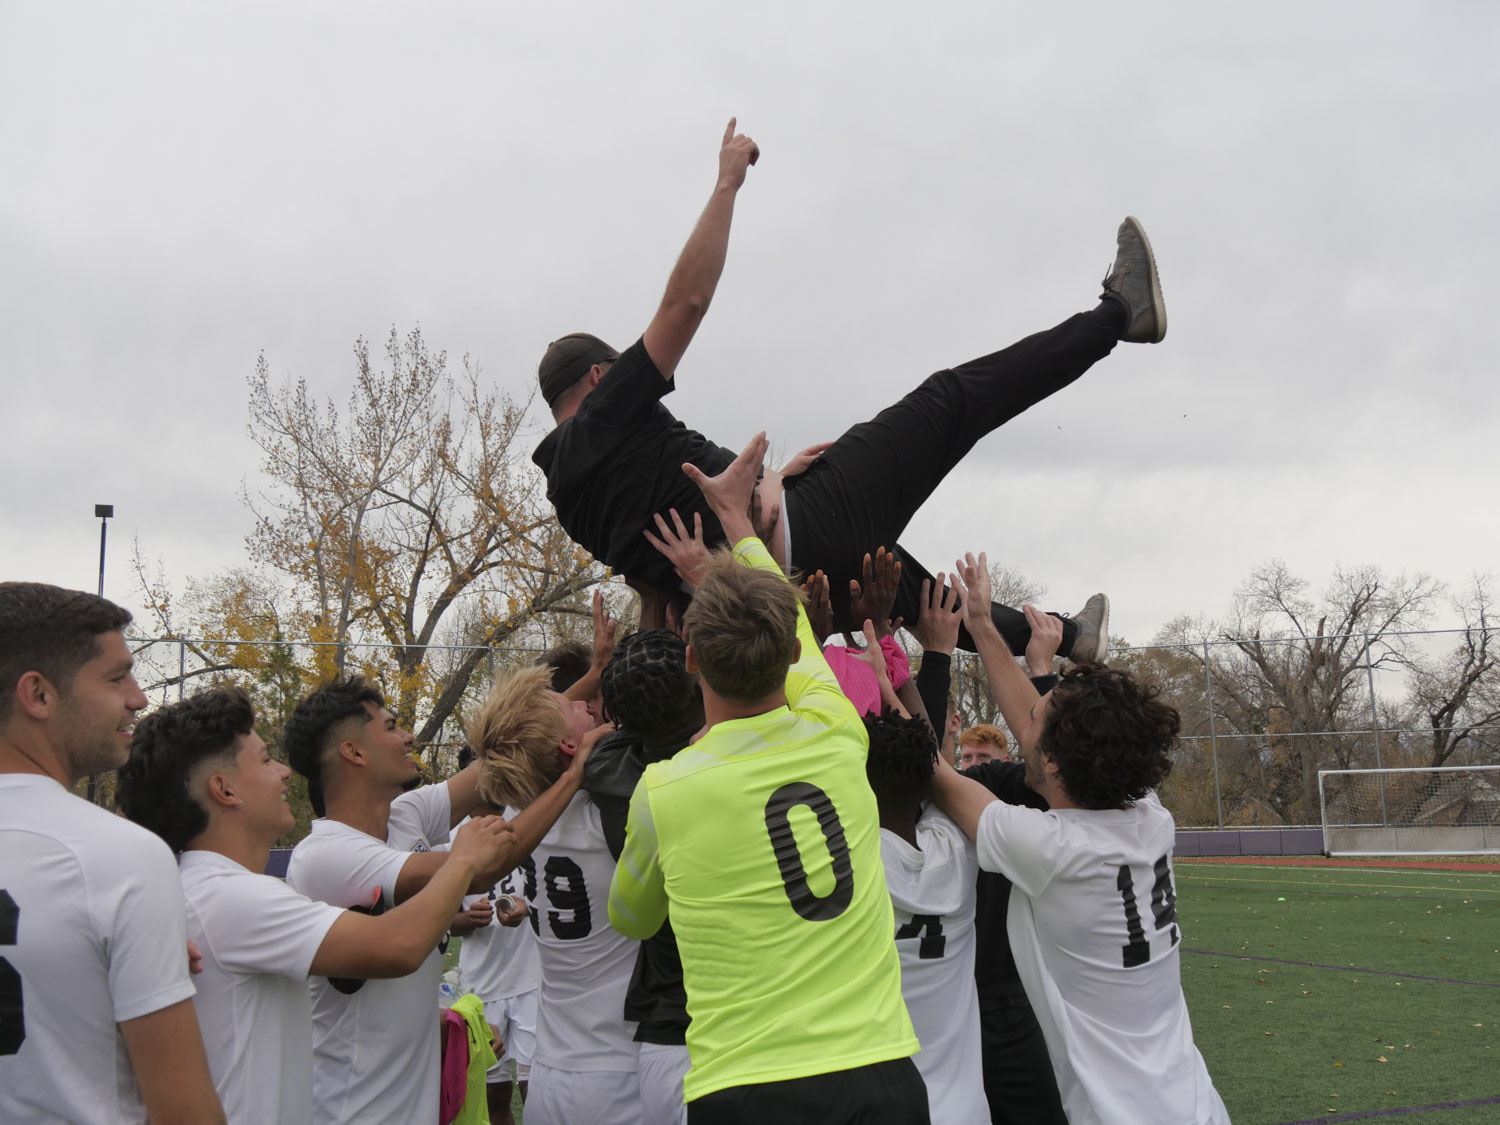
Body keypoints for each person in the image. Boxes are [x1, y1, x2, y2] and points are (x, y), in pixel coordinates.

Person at [533, 120, 1162, 661]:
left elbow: (677, 541)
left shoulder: (572, 503)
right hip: (811, 524)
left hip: (793, 593)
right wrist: (727, 183)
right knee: (952, 402)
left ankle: (1071, 636)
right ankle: (1118, 316)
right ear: (599, 377)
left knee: (922, 601)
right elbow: (687, 304)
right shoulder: (600, 420)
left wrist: (773, 479)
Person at [608, 434, 925, 1124]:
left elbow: (630, 916)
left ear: (691, 657)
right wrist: (739, 528)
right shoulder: (838, 734)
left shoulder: (665, 788)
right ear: (787, 649)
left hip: (744, 1086)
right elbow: (803, 639)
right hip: (878, 1072)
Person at [114, 685, 516, 1125]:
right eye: (266, 760)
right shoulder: (230, 897)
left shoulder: (203, 890)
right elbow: (399, 945)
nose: (286, 772)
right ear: (224, 790)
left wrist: (438, 1023)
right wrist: (462, 862)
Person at [930, 554, 1230, 1125]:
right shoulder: (1148, 815)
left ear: (1055, 761)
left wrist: (935, 651)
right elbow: (1038, 728)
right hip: (1195, 1107)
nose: (1023, 727)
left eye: (1035, 724)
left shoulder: (1049, 849)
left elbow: (933, 772)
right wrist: (984, 628)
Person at [281, 674, 602, 1125]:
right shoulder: (326, 855)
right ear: (353, 753)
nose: (408, 735)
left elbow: (511, 745)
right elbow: (481, 868)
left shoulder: (405, 814)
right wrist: (572, 776)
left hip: (410, 1106)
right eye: (391, 727)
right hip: (351, 1110)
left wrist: (582, 692)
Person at [0, 581, 225, 1124]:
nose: (139, 696)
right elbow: (186, 1114)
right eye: (116, 675)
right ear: (39, 695)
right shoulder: (120, 854)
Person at [468, 667, 640, 1125]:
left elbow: (531, 744)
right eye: (573, 707)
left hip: (552, 1065)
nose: (584, 702)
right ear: (569, 747)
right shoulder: (608, 814)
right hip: (618, 1067)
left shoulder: (521, 817)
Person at [585, 628, 706, 1124]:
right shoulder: (738, 768)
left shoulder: (610, 774)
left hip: (665, 1035)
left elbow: (633, 722)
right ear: (700, 684)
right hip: (741, 1031)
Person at [865, 710, 990, 1124]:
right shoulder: (959, 847)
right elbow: (944, 778)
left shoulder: (850, 861)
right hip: (965, 1110)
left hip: (883, 1105)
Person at [448, 747, 541, 1125]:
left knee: (536, 1090)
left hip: (534, 980)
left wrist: (528, 908)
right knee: (493, 1096)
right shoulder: (450, 838)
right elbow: (440, 919)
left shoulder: (529, 820)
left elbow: (558, 892)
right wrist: (466, 919)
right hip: (481, 988)